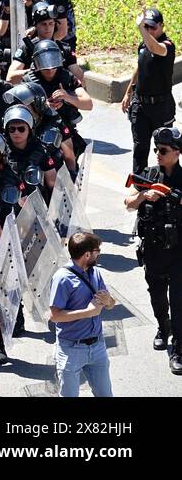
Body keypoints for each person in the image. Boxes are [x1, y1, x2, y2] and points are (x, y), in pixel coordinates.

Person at [126, 126, 182, 369]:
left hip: (178, 251)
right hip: (153, 249)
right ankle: (163, 327)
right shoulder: (148, 174)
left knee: (179, 300)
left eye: (163, 150)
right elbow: (128, 202)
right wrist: (143, 197)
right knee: (157, 296)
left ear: (177, 153)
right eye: (156, 149)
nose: (158, 154)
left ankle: (178, 348)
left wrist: (173, 196)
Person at [49, 230, 115, 397]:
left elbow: (110, 304)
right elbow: (54, 316)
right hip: (71, 348)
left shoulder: (95, 273)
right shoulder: (63, 278)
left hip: (97, 346)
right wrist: (87, 313)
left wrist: (108, 301)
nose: (98, 255)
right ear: (87, 254)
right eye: (97, 251)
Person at [122, 8, 176, 174]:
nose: (149, 31)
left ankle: (170, 184)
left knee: (165, 148)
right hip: (141, 105)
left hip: (161, 106)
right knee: (140, 147)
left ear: (161, 26)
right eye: (147, 27)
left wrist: (141, 29)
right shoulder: (143, 46)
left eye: (153, 27)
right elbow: (140, 67)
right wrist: (128, 92)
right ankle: (139, 184)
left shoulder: (167, 46)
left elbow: (154, 47)